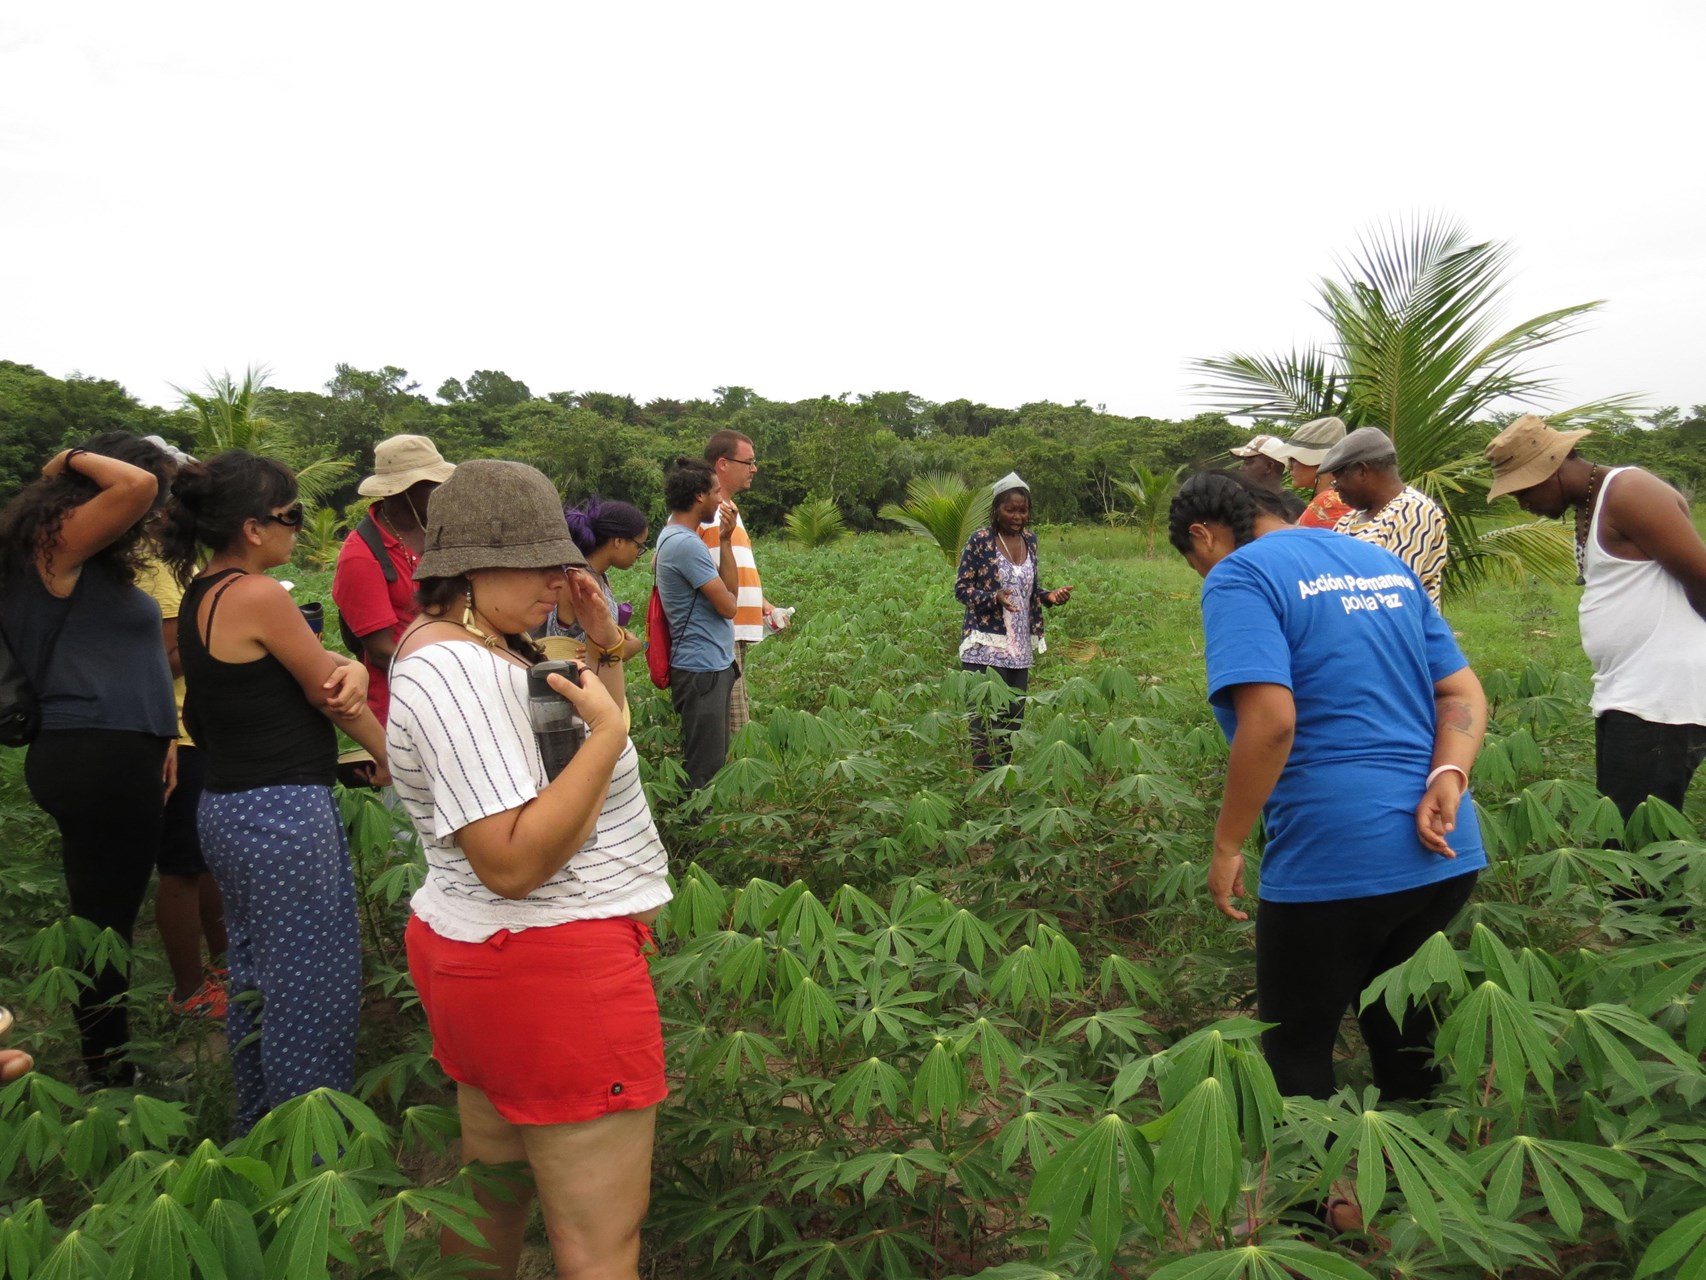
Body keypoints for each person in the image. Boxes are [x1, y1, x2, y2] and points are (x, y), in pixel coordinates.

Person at [385, 460, 671, 1279]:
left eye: (563, 561)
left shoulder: (485, 646)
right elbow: (511, 861)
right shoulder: (459, 669)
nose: (561, 577)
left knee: (493, 1196)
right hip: (550, 962)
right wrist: (611, 733)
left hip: (489, 954)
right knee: (599, 1244)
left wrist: (604, 643)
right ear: (472, 566)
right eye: (541, 564)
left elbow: (570, 760)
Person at [1169, 471, 1486, 1114]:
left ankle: (1316, 1209)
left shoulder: (1241, 574)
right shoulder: (1381, 565)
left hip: (1335, 851)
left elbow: (1271, 722)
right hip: (1445, 851)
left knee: (1296, 1050)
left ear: (1202, 534)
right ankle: (1412, 1191)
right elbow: (1461, 692)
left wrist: (1228, 842)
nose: (1201, 573)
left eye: (1192, 559)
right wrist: (1446, 774)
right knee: (1401, 1028)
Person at [162, 451, 389, 1134]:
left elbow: (307, 676)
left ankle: (259, 1123)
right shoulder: (260, 595)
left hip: (229, 809)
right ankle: (311, 1146)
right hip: (283, 811)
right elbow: (334, 697)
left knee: (259, 974)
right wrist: (397, 759)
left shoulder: (206, 591)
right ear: (254, 528)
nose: (300, 527)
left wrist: (343, 665)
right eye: (292, 515)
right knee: (312, 984)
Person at [0, 433, 177, 1085]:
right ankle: (108, 1069)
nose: (155, 511)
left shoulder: (94, 560)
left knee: (111, 913)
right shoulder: (52, 544)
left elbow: (129, 661)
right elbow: (135, 488)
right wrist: (68, 455)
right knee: (103, 919)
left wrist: (160, 742)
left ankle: (111, 1057)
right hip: (90, 747)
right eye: (154, 490)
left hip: (121, 748)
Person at [1486, 414, 1706, 830]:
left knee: (1636, 841)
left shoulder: (1630, 491)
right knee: (1622, 829)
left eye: (1524, 489)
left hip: (1661, 696)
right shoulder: (1591, 502)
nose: (1523, 503)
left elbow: (1701, 576)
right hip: (1627, 691)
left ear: (1554, 466)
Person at [136, 451, 230, 1019]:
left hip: (196, 727)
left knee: (205, 859)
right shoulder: (157, 565)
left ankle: (221, 968)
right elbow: (167, 656)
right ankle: (191, 990)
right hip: (174, 733)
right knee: (182, 866)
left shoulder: (175, 562)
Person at [331, 434, 456, 723]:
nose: (442, 490)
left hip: (449, 693)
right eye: (433, 485)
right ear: (406, 490)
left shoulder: (436, 531)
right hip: (403, 705)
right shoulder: (361, 556)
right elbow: (380, 652)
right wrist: (452, 671)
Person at [954, 473, 1074, 771]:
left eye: (1023, 510)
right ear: (996, 509)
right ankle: (984, 782)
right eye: (1011, 509)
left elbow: (1030, 591)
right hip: (985, 646)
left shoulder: (1030, 541)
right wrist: (994, 598)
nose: (1018, 516)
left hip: (1019, 650)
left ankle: (1002, 779)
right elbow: (962, 590)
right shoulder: (981, 540)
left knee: (1012, 720)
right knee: (985, 722)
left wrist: (1050, 597)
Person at [658, 458, 739, 790]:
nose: (721, 500)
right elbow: (730, 605)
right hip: (701, 669)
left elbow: (729, 595)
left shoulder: (675, 537)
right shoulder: (685, 544)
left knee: (709, 759)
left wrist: (724, 540)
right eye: (716, 492)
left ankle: (703, 830)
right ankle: (699, 835)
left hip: (705, 665)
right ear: (698, 497)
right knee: (704, 768)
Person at [699, 430, 784, 735]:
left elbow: (728, 567)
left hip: (735, 629)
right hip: (721, 629)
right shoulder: (705, 510)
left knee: (736, 715)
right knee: (734, 728)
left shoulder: (729, 509)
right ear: (722, 463)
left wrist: (762, 604)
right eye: (748, 462)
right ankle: (727, 783)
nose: (754, 468)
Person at [1318, 427, 1450, 607]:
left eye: (1338, 479)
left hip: (1400, 631)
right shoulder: (1348, 520)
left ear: (1362, 471)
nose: (1335, 488)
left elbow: (1392, 590)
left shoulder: (1414, 510)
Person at [543, 497, 648, 663]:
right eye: (638, 546)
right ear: (618, 541)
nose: (639, 555)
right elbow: (612, 650)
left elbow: (608, 643)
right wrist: (632, 646)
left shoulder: (600, 577)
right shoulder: (579, 583)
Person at [1275, 416, 1352, 529]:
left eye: (1293, 459)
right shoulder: (1344, 496)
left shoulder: (1328, 502)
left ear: (1318, 462)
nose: (1289, 466)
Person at [1230, 434, 1306, 521]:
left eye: (1248, 463)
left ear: (1269, 466)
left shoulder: (1293, 509)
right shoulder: (1245, 499)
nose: (1241, 468)